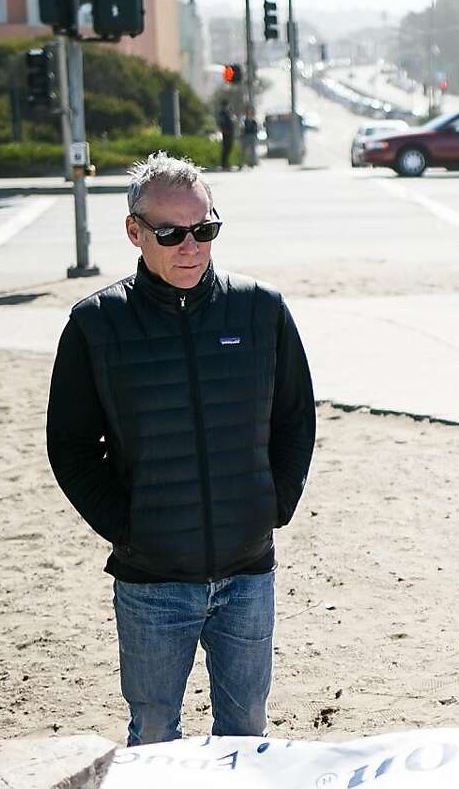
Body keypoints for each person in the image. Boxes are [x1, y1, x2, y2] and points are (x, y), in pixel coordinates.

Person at [48, 153, 315, 746]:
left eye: (205, 229)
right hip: (151, 582)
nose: (190, 246)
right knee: (152, 733)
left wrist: (274, 505)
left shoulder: (261, 308)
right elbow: (69, 447)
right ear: (134, 232)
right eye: (171, 234)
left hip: (249, 573)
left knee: (245, 733)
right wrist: (128, 525)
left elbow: (296, 418)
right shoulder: (96, 323)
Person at [218, 93, 238, 171]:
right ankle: (224, 165)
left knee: (228, 148)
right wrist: (224, 130)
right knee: (226, 148)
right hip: (227, 133)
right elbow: (222, 122)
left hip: (229, 132)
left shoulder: (227, 112)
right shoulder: (223, 112)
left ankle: (225, 164)